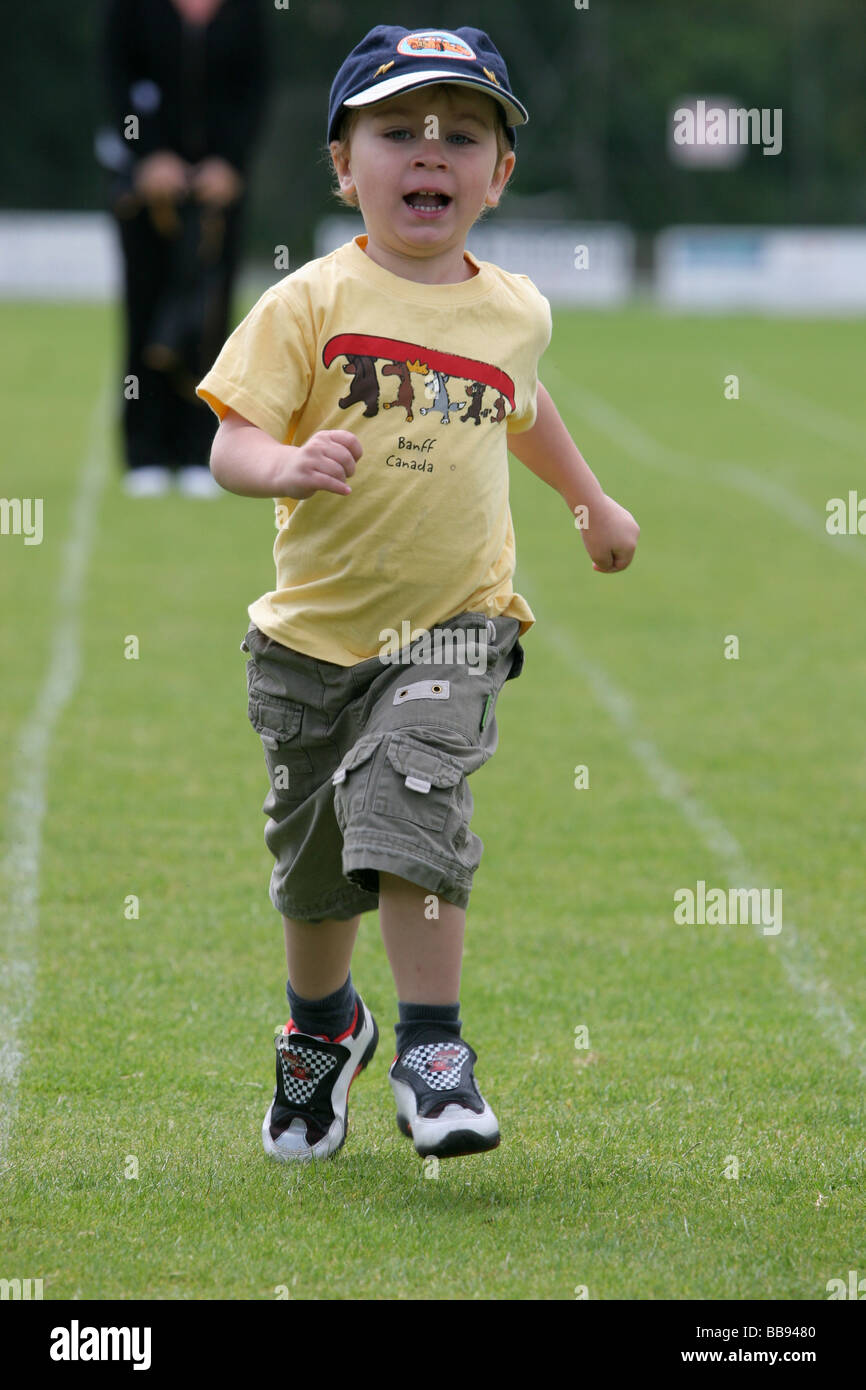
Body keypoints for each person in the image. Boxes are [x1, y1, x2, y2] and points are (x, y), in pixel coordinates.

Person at [196, 25, 639, 1163]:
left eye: (462, 134)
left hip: (454, 623)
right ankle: (320, 1032)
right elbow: (232, 441)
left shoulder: (512, 312)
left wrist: (590, 505)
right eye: (397, 131)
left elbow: (525, 414)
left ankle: (433, 1051)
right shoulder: (310, 300)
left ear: (498, 174)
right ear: (343, 164)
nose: (428, 152)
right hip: (310, 643)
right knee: (312, 874)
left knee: (412, 802)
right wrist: (281, 466)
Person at [100, 0, 268, 497]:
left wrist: (231, 163)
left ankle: (203, 449)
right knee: (145, 310)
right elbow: (115, 81)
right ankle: (145, 451)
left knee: (211, 318)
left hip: (219, 192)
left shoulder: (247, 11)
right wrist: (147, 158)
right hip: (146, 190)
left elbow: (254, 90)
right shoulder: (128, 10)